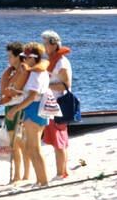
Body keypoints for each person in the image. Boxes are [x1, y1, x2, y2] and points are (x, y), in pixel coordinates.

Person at [7, 43, 54, 187]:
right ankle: (40, 179)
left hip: (34, 109)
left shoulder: (35, 73)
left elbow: (32, 96)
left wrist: (15, 110)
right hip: (38, 109)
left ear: (33, 58)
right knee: (30, 147)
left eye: (26, 57)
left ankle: (44, 181)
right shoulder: (40, 71)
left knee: (34, 148)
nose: (24, 60)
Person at [41, 30, 73, 179]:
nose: (44, 47)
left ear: (54, 45)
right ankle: (62, 171)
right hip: (52, 105)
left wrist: (45, 84)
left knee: (58, 141)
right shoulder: (54, 61)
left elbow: (65, 85)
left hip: (58, 105)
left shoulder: (61, 62)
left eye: (46, 44)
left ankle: (61, 173)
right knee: (58, 140)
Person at [0, 43, 28, 184]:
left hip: (18, 107)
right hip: (9, 106)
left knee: (20, 141)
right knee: (13, 143)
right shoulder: (10, 72)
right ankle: (17, 175)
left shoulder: (24, 69)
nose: (7, 59)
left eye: (10, 56)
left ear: (18, 56)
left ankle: (25, 174)